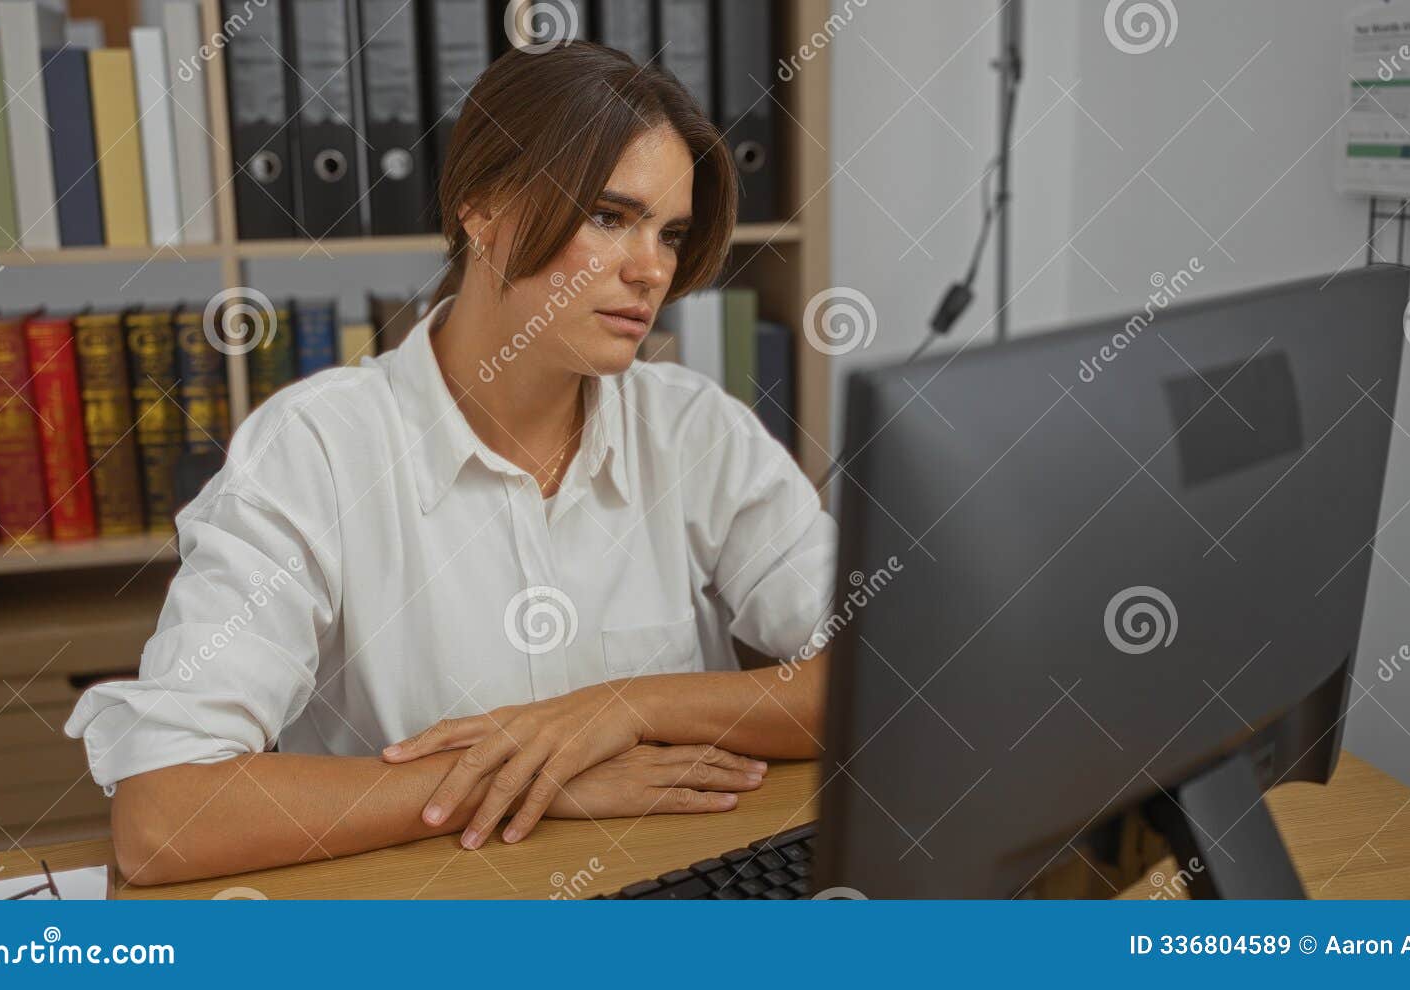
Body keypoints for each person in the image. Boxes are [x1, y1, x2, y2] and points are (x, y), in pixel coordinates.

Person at [65, 41, 835, 886]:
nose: (652, 268)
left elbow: (886, 676)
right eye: (610, 217)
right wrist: (529, 775)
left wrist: (627, 710)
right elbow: (164, 815)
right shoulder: (315, 452)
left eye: (670, 232)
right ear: (483, 209)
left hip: (671, 894)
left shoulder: (694, 429)